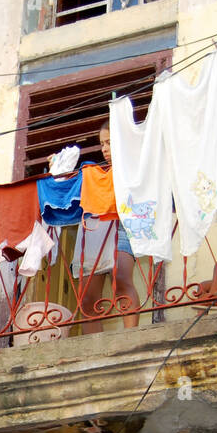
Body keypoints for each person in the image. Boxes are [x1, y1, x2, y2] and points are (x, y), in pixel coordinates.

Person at [79, 121, 141, 331]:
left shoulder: (134, 167)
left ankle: (130, 338)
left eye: (109, 142)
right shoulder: (92, 173)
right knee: (88, 296)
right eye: (102, 144)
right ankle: (92, 347)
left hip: (122, 227)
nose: (104, 148)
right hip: (94, 229)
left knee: (122, 280)